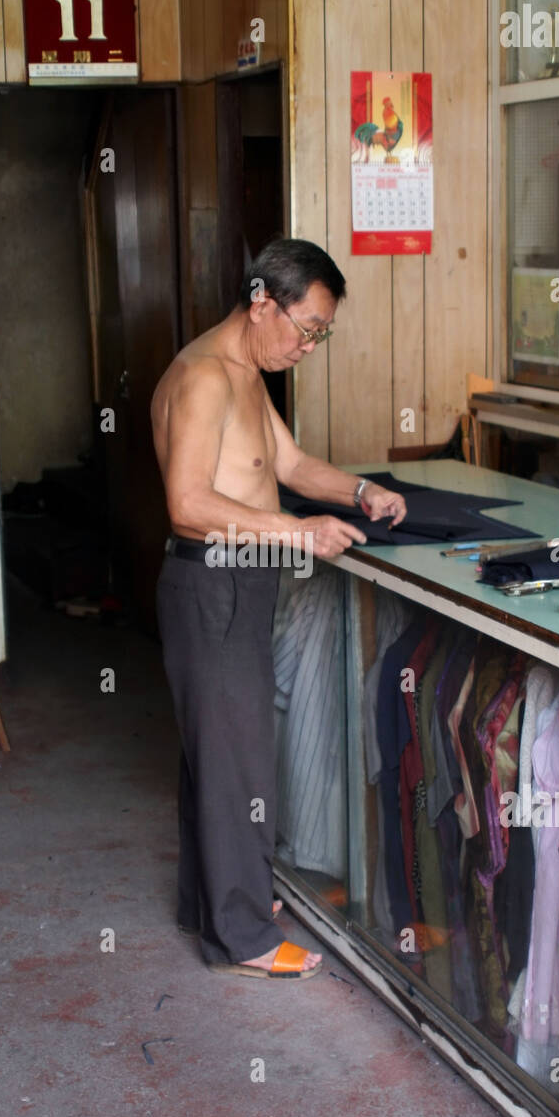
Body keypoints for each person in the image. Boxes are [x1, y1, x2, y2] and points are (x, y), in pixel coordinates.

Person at [151, 237, 407, 980]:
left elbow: (286, 465)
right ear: (263, 302)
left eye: (322, 334)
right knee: (239, 764)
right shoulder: (204, 376)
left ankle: (213, 907)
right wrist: (299, 530)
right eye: (308, 328)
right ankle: (246, 938)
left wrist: (358, 492)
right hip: (214, 578)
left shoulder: (245, 369)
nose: (310, 346)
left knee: (219, 755)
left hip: (238, 579)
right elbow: (188, 504)